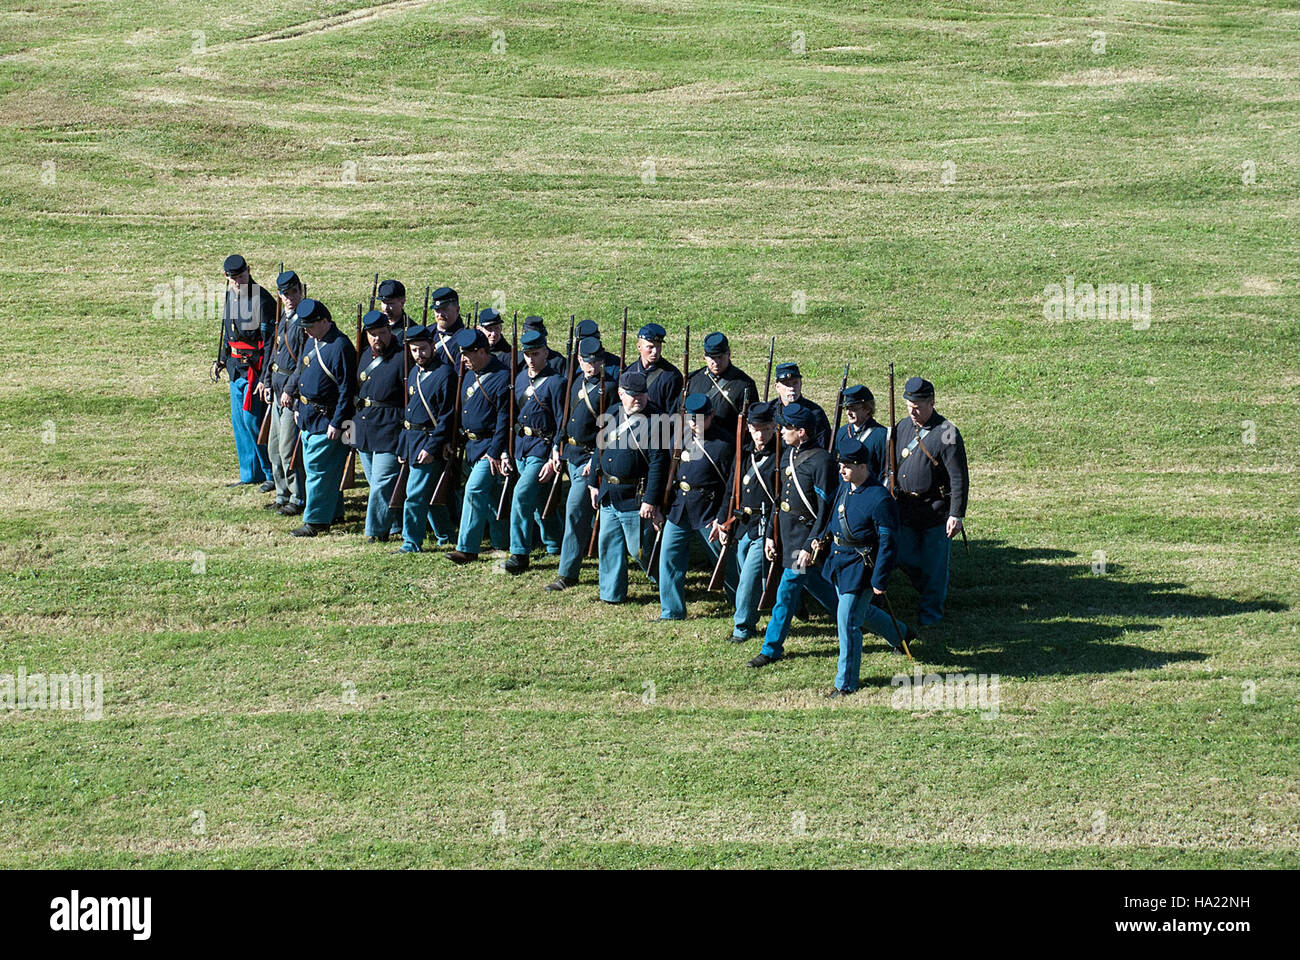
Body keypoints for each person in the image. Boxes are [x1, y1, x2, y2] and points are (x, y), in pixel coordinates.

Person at [822, 437, 917, 696]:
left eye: (847, 466)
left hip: (860, 568)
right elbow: (832, 515)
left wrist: (879, 578)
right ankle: (903, 635)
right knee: (858, 614)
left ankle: (846, 683)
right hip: (840, 561)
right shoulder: (846, 486)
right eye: (841, 465)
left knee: (848, 623)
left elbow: (888, 542)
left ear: (863, 467)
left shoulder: (879, 499)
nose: (841, 470)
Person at [747, 401, 839, 668]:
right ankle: (896, 631)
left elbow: (825, 509)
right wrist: (769, 535)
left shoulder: (822, 461)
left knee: (785, 595)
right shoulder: (789, 453)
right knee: (836, 601)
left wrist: (813, 543)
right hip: (788, 537)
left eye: (787, 427)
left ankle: (771, 648)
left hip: (804, 542)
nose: (781, 430)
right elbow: (780, 499)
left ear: (802, 431)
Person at [891, 376, 969, 625]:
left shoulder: (946, 433)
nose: (913, 411)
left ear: (932, 402)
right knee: (902, 556)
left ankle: (930, 615)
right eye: (909, 405)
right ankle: (926, 591)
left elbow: (958, 477)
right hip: (906, 509)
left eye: (918, 406)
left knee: (935, 568)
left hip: (936, 512)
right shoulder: (903, 427)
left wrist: (956, 514)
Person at [588, 370, 669, 604]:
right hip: (609, 492)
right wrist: (594, 482)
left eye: (642, 395)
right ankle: (611, 594)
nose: (639, 400)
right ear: (621, 394)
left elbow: (658, 464)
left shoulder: (657, 421)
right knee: (609, 544)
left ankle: (666, 582)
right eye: (633, 395)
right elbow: (599, 450)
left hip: (636, 496)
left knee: (640, 550)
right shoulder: (612, 413)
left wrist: (650, 500)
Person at [656, 393, 738, 621]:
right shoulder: (679, 437)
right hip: (679, 506)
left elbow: (730, 487)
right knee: (669, 558)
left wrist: (722, 518)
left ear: (711, 416)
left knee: (725, 562)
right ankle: (671, 610)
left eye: (700, 419)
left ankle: (740, 604)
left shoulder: (724, 444)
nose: (695, 423)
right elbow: (667, 471)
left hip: (708, 510)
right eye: (692, 419)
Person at [545, 336, 616, 591]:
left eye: (596, 361)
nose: (592, 366)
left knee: (575, 511)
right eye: (588, 361)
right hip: (570, 454)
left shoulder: (609, 389)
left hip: (588, 459)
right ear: (579, 360)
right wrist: (556, 445)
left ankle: (567, 573)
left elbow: (608, 432)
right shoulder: (576, 382)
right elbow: (565, 419)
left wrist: (594, 461)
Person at [291, 299, 357, 536]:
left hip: (326, 419)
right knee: (325, 472)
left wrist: (337, 422)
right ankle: (334, 512)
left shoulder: (339, 346)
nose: (306, 331)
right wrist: (298, 402)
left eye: (310, 325)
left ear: (324, 321)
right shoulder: (313, 341)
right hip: (309, 416)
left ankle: (316, 520)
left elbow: (346, 389)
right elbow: (302, 372)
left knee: (319, 471)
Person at [446, 328, 512, 564]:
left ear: (483, 352)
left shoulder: (502, 377)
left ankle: (467, 548)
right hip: (472, 445)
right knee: (493, 498)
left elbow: (505, 419)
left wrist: (495, 451)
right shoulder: (468, 373)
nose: (463, 359)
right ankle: (502, 542)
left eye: (468, 354)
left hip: (489, 446)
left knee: (474, 490)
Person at [502, 327, 565, 573]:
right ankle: (555, 542)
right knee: (540, 500)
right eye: (527, 354)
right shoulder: (519, 379)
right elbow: (512, 417)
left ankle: (519, 553)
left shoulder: (557, 382)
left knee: (521, 495)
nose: (531, 359)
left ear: (546, 353)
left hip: (542, 448)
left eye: (536, 353)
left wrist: (554, 456)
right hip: (521, 447)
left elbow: (561, 422)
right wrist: (507, 451)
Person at [718, 400, 779, 642]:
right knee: (745, 575)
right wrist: (723, 521)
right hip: (742, 523)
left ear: (774, 427)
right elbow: (730, 490)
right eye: (755, 429)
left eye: (765, 428)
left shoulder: (779, 457)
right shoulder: (743, 453)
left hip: (763, 525)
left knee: (749, 580)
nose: (760, 434)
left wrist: (770, 534)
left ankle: (742, 628)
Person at [213, 253, 275, 488]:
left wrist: (265, 379)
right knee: (240, 422)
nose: (237, 282)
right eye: (233, 278)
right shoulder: (230, 294)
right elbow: (227, 329)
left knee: (253, 422)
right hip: (235, 368)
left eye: (241, 276)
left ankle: (271, 474)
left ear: (249, 270)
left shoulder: (263, 300)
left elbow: (270, 343)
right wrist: (221, 359)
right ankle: (250, 474)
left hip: (254, 371)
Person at [395, 325, 455, 553]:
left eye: (422, 349)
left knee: (414, 495)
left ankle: (411, 542)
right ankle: (446, 534)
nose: (419, 355)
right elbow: (409, 411)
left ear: (432, 346)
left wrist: (432, 447)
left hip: (429, 441)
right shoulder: (414, 372)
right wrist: (403, 445)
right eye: (414, 350)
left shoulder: (445, 374)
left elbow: (446, 417)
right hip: (412, 440)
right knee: (428, 495)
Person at [354, 309, 406, 543]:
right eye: (372, 334)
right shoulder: (365, 355)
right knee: (376, 482)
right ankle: (394, 523)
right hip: (365, 427)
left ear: (389, 331)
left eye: (382, 333)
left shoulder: (403, 357)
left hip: (389, 428)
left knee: (382, 484)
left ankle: (375, 531)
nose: (377, 339)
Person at [261, 269, 307, 516]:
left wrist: (290, 389)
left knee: (289, 449)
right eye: (284, 294)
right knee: (274, 448)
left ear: (299, 291)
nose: (289, 297)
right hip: (277, 389)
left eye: (292, 292)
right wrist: (266, 381)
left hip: (290, 393)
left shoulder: (303, 321)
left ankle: (298, 497)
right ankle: (282, 494)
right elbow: (274, 353)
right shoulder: (284, 318)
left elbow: (301, 361)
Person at [684, 332, 757, 441]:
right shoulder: (693, 379)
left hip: (728, 445)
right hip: (695, 443)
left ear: (729, 353)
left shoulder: (744, 384)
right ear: (704, 357)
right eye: (712, 357)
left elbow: (751, 423)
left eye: (720, 357)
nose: (716, 362)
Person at [622, 322, 682, 415]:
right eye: (650, 347)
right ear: (639, 347)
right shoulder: (629, 371)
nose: (655, 351)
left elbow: (673, 414)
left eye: (658, 346)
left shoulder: (671, 376)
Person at [773, 363, 832, 450]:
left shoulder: (815, 412)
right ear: (777, 387)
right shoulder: (770, 410)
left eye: (795, 383)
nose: (791, 388)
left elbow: (822, 445)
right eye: (786, 384)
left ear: (801, 384)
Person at [833, 384, 887, 478]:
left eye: (853, 408)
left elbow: (883, 471)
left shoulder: (880, 435)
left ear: (867, 409)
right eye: (847, 408)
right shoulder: (842, 432)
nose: (848, 413)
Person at [430, 286, 464, 368]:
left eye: (444, 309)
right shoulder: (428, 332)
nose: (440, 315)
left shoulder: (463, 338)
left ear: (457, 309)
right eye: (437, 310)